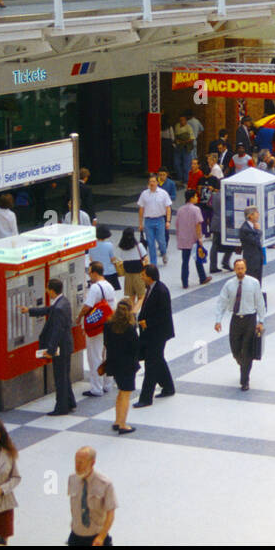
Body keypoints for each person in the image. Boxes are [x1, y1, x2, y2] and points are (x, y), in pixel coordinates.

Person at [23, 277, 75, 415]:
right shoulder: (63, 302)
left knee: (60, 378)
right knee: (65, 376)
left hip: (60, 348)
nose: (46, 291)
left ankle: (61, 407)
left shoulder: (58, 307)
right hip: (67, 345)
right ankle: (70, 402)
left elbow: (57, 331)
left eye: (47, 289)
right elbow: (48, 310)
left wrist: (50, 350)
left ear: (52, 291)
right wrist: (29, 311)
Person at [213, 258, 266, 391]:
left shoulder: (254, 283)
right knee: (235, 347)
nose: (240, 270)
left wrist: (261, 320)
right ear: (235, 269)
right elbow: (222, 302)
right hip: (236, 319)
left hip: (250, 319)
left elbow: (259, 301)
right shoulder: (229, 285)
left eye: (242, 268)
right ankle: (241, 361)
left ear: (245, 269)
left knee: (247, 350)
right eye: (238, 268)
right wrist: (218, 320)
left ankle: (244, 380)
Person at [134, 264, 175, 407]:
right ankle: (168, 387)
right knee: (157, 359)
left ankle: (145, 398)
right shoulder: (151, 289)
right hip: (151, 333)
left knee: (151, 364)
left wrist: (147, 323)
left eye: (144, 275)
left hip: (158, 333)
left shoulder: (161, 291)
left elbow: (164, 315)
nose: (141, 277)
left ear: (150, 276)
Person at [102, 299, 140, 434]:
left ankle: (117, 421)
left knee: (120, 392)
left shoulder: (108, 325)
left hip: (114, 363)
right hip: (128, 365)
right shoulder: (130, 328)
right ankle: (123, 424)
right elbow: (136, 346)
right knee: (125, 394)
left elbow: (106, 343)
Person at [78, 262, 115, 399]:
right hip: (108, 324)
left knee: (94, 356)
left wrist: (79, 317)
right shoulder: (109, 285)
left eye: (90, 272)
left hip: (96, 327)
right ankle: (107, 384)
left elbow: (87, 306)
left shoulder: (95, 288)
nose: (89, 275)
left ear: (94, 272)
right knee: (106, 354)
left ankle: (96, 388)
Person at [66, 446, 117, 546]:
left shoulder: (105, 484)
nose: (77, 466)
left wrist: (101, 537)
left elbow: (110, 514)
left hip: (96, 537)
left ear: (92, 463)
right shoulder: (72, 479)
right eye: (76, 462)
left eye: (81, 462)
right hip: (76, 537)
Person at [136, 175, 172, 265]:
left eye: (153, 181)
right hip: (148, 221)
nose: (152, 183)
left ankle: (163, 253)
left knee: (161, 241)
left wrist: (168, 221)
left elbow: (168, 208)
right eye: (150, 181)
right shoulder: (144, 194)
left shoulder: (163, 193)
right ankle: (153, 263)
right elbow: (141, 209)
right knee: (150, 242)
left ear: (157, 182)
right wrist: (140, 223)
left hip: (160, 220)